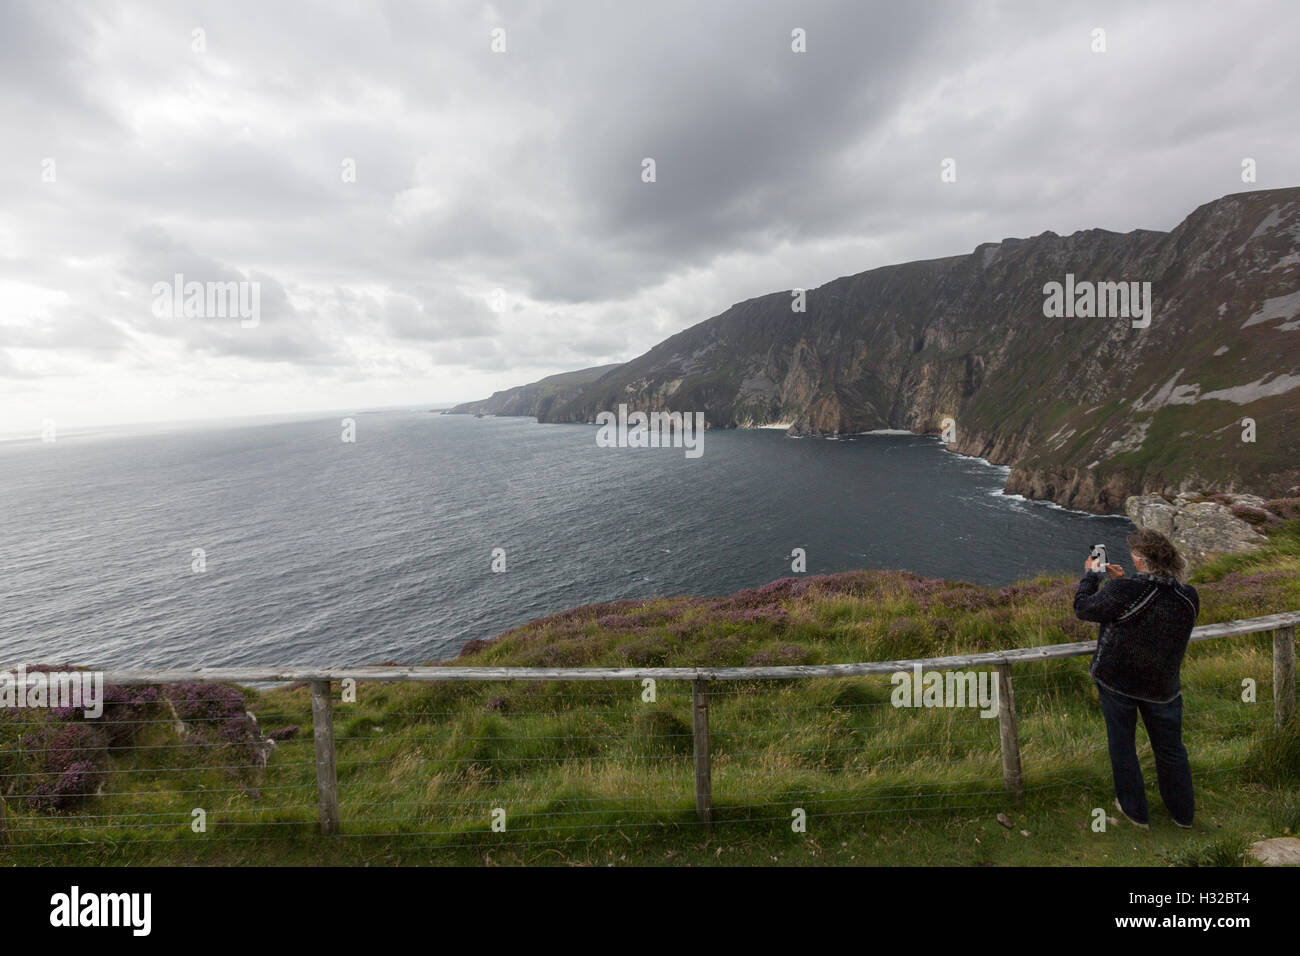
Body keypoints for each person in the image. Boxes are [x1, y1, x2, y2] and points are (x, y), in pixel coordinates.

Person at [1073, 528, 1200, 829]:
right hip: (1163, 686)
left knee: (1123, 745)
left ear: (1141, 560)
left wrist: (1092, 575)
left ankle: (1135, 812)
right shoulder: (1188, 596)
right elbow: (1157, 615)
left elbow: (1084, 608)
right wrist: (1122, 582)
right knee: (1171, 749)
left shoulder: (1126, 591)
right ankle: (1183, 815)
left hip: (1119, 682)